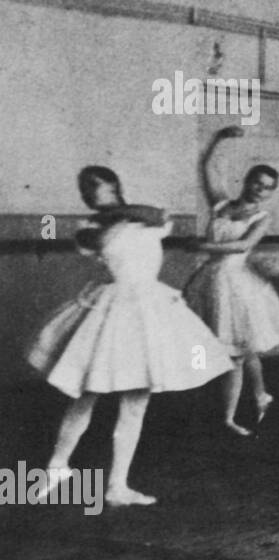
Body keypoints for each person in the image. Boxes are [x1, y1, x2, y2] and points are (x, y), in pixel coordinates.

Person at [26, 167, 233, 506]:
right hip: (113, 308)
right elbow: (93, 241)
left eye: (99, 187)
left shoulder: (147, 213)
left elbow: (156, 216)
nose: (92, 194)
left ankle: (117, 486)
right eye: (86, 189)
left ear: (115, 185)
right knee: (86, 393)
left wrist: (113, 210)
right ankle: (56, 467)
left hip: (151, 308)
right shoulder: (88, 228)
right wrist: (108, 214)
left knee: (136, 402)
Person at [185, 126, 279, 435]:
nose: (259, 190)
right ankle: (247, 405)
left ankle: (243, 407)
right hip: (210, 280)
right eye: (256, 183)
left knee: (241, 348)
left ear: (271, 193)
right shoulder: (221, 204)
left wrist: (203, 247)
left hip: (236, 281)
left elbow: (242, 246)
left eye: (266, 188)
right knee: (239, 350)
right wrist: (219, 138)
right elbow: (208, 168)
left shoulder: (263, 218)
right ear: (246, 181)